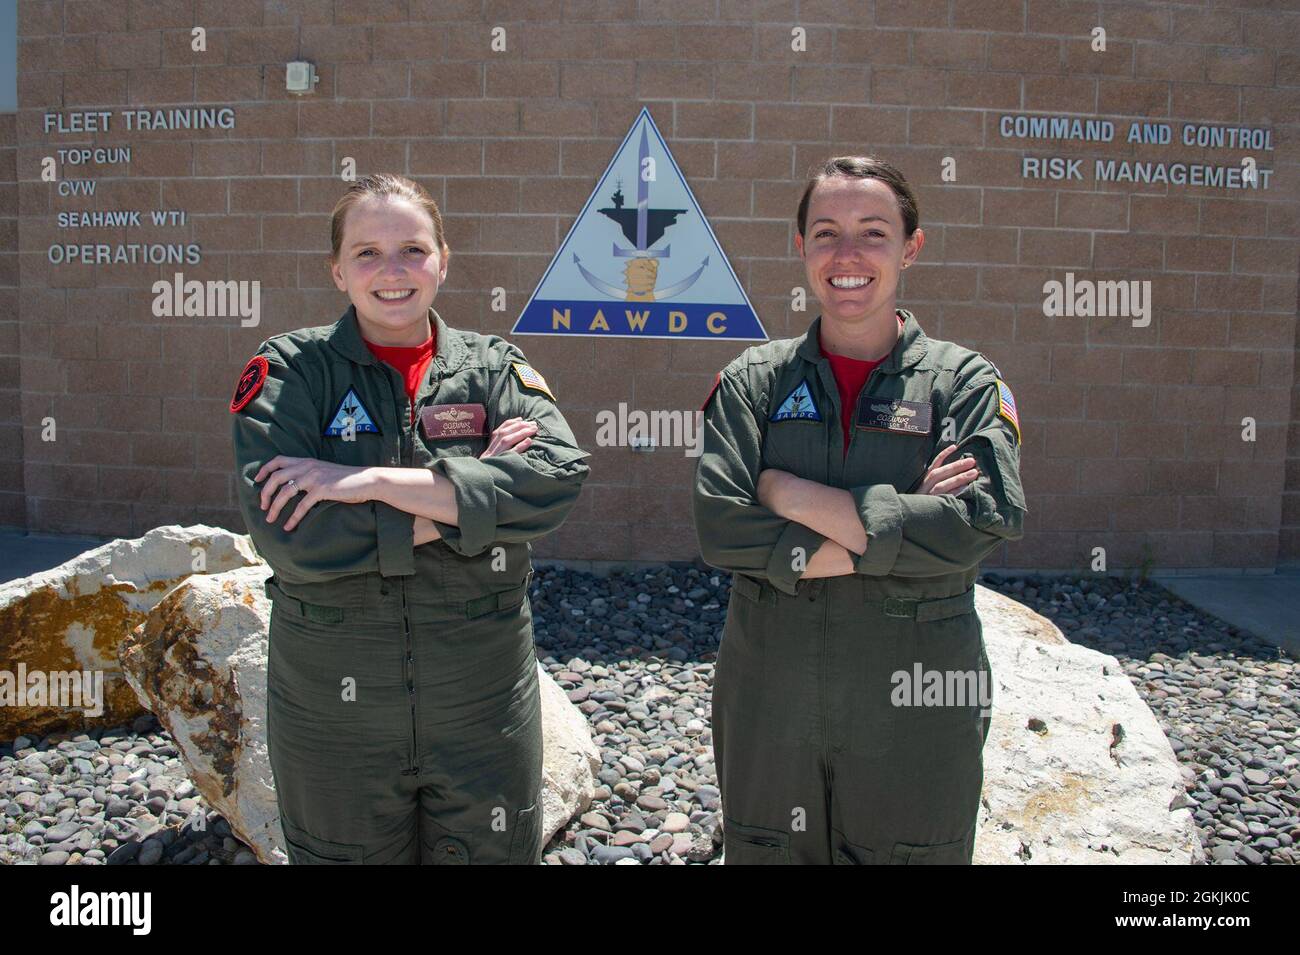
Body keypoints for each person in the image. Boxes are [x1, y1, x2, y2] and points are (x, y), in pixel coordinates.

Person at [230, 173, 591, 864]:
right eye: (367, 252)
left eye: (413, 250)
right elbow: (296, 539)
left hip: (484, 704)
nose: (392, 271)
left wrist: (365, 482)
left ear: (443, 260)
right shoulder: (288, 372)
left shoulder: (493, 368)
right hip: (334, 712)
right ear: (338, 270)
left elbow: (555, 480)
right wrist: (472, 499)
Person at [693, 156, 1027, 864]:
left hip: (918, 706)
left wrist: (784, 491)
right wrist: (902, 524)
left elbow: (976, 524)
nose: (847, 256)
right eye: (826, 233)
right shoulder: (753, 382)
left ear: (911, 247)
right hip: (770, 701)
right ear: (802, 249)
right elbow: (722, 528)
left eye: (872, 232)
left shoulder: (963, 383)